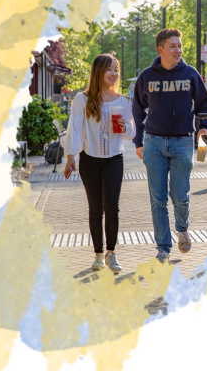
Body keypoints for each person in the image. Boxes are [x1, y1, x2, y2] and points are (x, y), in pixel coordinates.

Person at [132, 28, 207, 264]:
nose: (177, 50)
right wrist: (138, 142)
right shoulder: (147, 76)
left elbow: (204, 104)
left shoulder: (190, 74)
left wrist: (204, 126)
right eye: (172, 46)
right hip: (153, 143)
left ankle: (182, 228)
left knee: (180, 197)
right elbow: (136, 110)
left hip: (182, 142)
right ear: (161, 49)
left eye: (179, 46)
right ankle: (163, 247)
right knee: (157, 198)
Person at [63, 54, 136, 274]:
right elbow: (74, 130)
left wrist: (123, 127)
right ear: (98, 72)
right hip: (89, 160)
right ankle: (98, 255)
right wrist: (70, 157)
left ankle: (111, 254)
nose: (114, 74)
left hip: (115, 159)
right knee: (95, 209)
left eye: (116, 69)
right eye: (109, 70)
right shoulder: (82, 100)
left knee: (111, 206)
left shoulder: (122, 101)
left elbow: (130, 135)